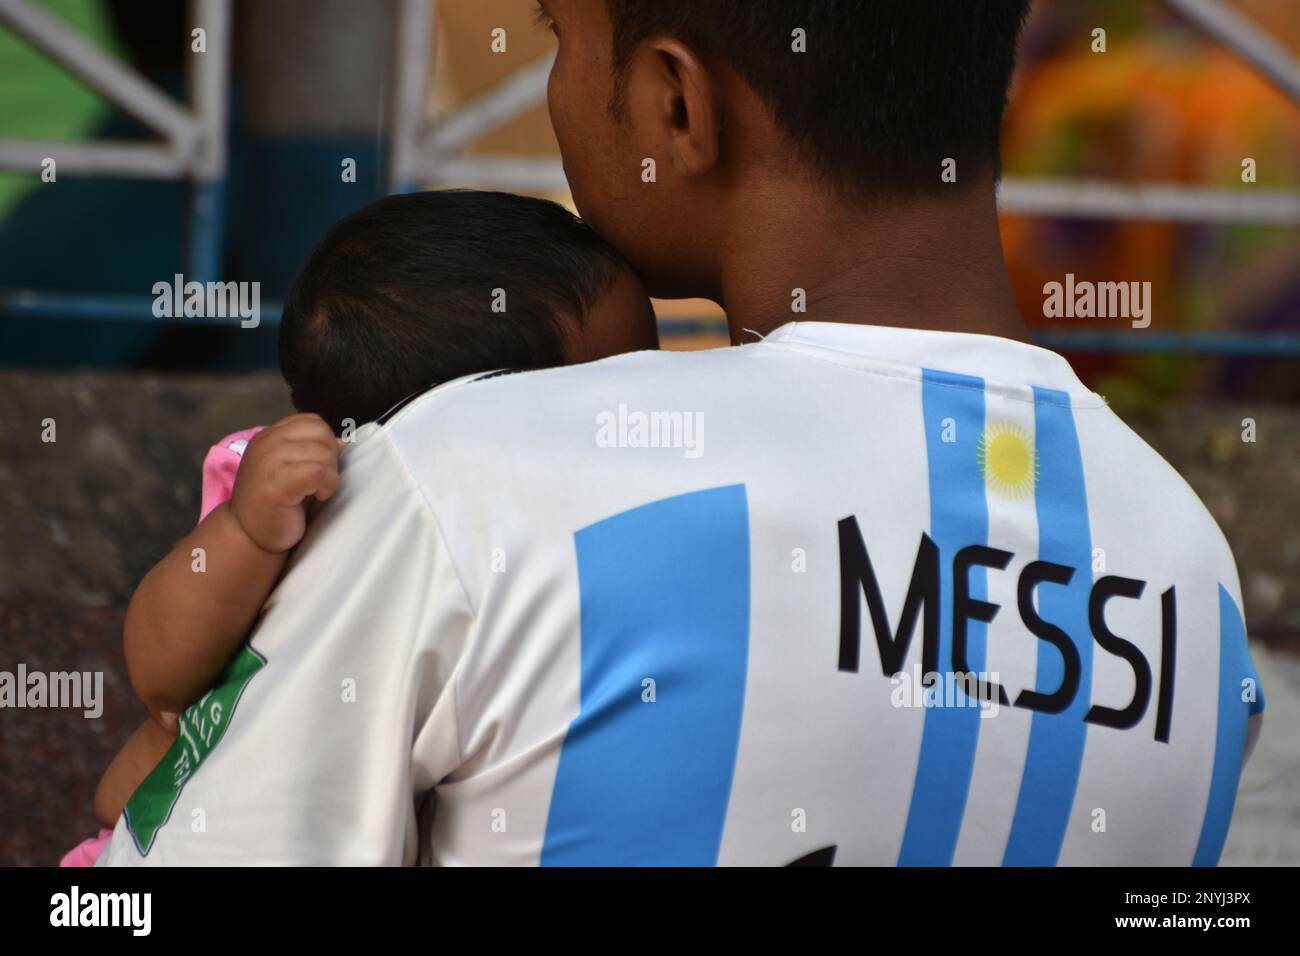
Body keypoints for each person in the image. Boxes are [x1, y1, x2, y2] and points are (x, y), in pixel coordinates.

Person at [101, 0, 1262, 866]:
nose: (555, 92)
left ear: (676, 104)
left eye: (561, 38)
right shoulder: (1193, 584)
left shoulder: (473, 475)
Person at [65, 190, 655, 865]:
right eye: (618, 384)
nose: (656, 398)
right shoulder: (286, 496)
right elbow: (161, 675)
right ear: (466, 431)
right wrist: (248, 534)